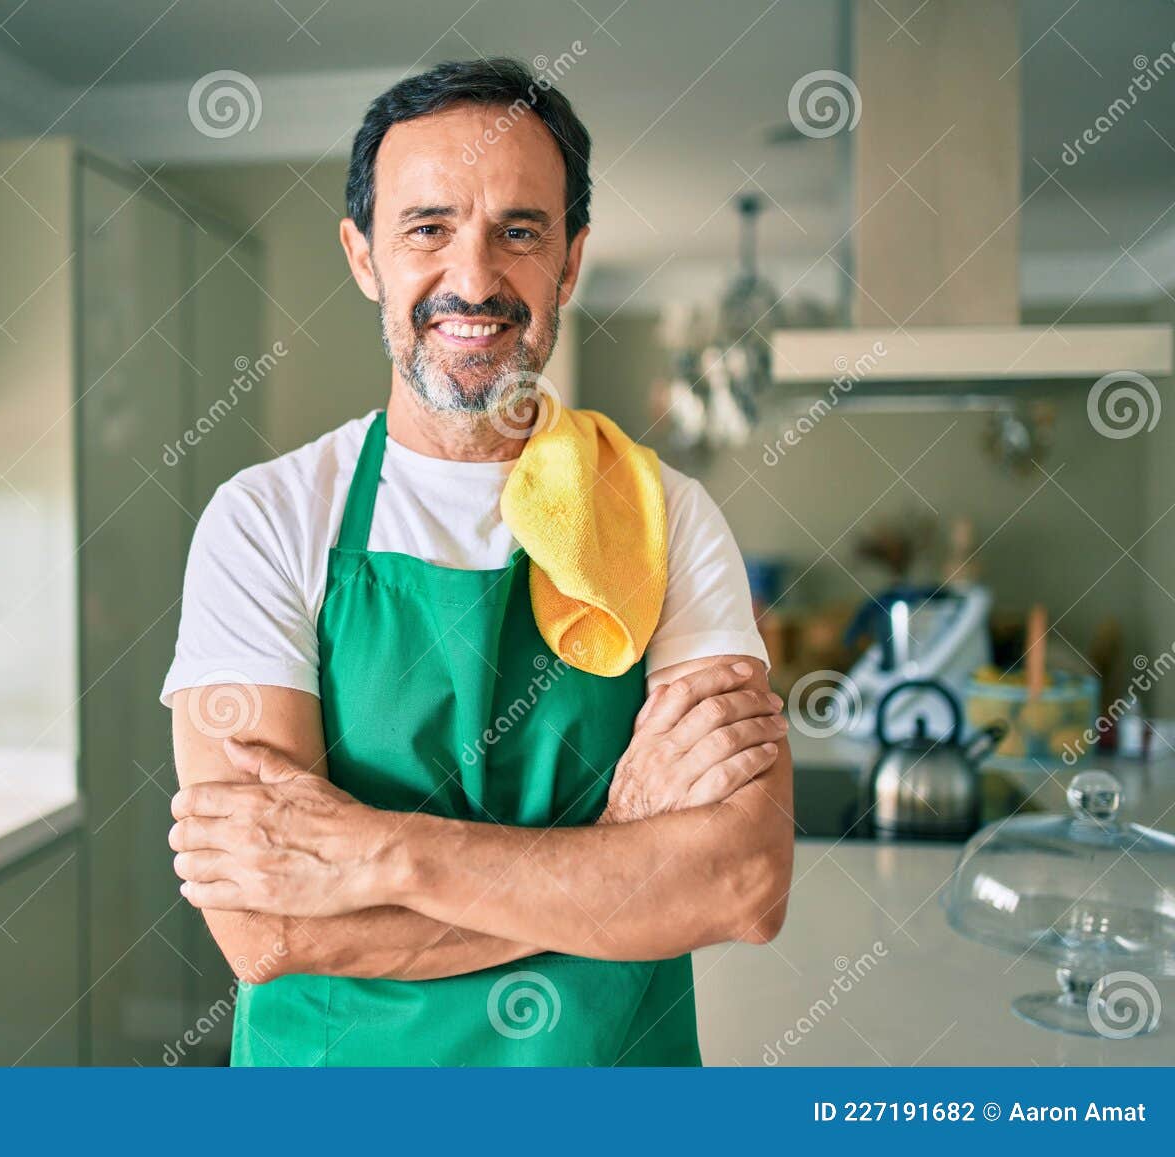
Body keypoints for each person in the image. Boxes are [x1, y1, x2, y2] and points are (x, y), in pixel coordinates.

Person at [162, 58, 792, 1067]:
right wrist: (618, 849)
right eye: (427, 228)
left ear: (570, 263)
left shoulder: (664, 516)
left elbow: (741, 885)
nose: (473, 278)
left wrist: (378, 853)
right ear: (363, 255)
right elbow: (266, 931)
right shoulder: (266, 521)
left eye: (520, 232)